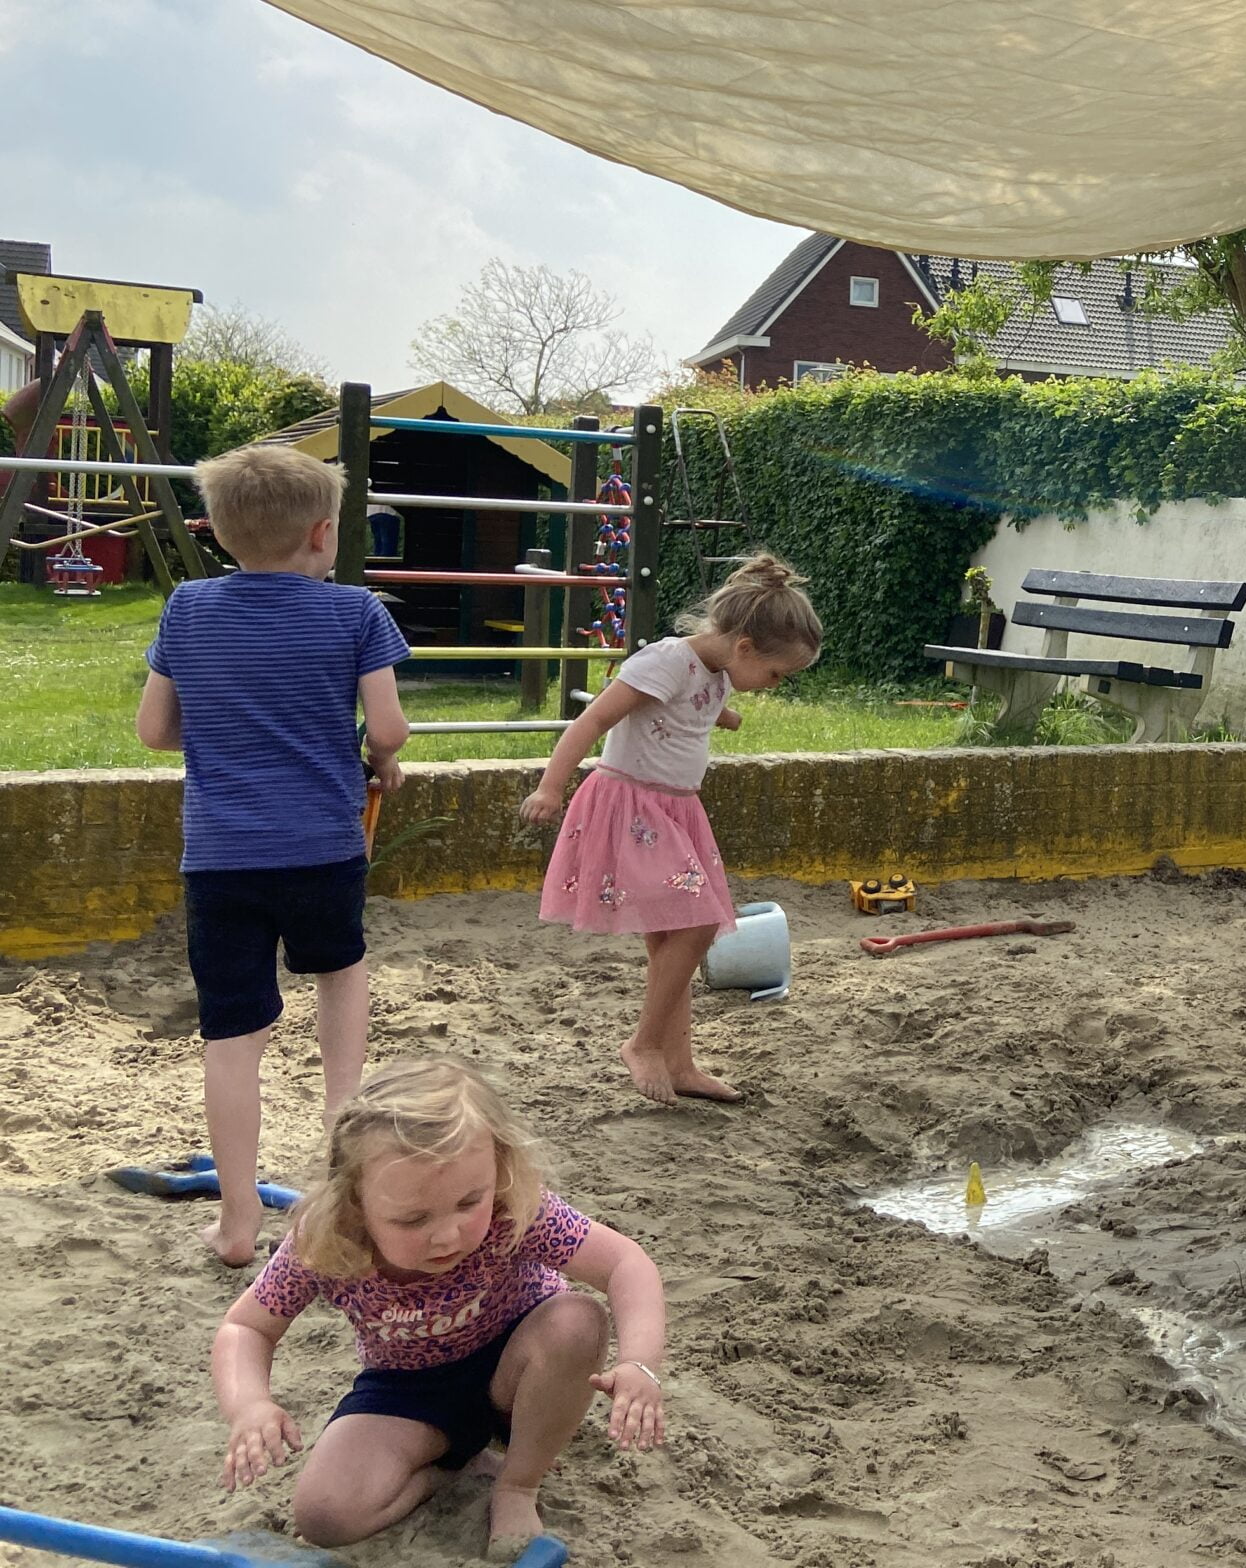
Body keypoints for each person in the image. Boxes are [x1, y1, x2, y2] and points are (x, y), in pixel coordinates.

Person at [212, 1057, 668, 1555]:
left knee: (578, 1321)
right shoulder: (326, 1242)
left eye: (468, 1202)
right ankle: (453, 1468)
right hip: (407, 1390)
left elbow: (624, 1262)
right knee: (325, 1515)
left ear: (499, 1167)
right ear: (354, 1204)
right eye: (412, 1220)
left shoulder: (513, 1208)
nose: (448, 1234)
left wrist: (639, 1362)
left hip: (521, 1374)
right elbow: (247, 1327)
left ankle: (517, 1484)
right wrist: (249, 1404)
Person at [136, 443, 410, 1267]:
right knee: (340, 979)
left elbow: (155, 731)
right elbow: (389, 730)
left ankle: (237, 1220)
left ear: (220, 534)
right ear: (323, 534)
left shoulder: (186, 607)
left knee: (233, 1032)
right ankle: (342, 1177)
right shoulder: (356, 612)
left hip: (220, 860)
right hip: (322, 847)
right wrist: (380, 759)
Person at [520, 551, 822, 1104]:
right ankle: (644, 1043)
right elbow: (593, 719)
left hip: (678, 812)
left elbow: (696, 706)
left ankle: (679, 1063)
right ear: (745, 647)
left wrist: (722, 714)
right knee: (699, 923)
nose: (776, 684)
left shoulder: (720, 669)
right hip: (631, 808)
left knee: (673, 934)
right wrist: (550, 786)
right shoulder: (664, 662)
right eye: (777, 674)